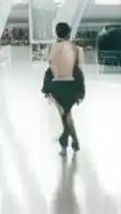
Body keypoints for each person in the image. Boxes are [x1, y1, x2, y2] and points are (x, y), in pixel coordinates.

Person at [42, 22, 84, 156]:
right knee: (67, 115)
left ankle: (66, 145)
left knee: (64, 116)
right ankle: (73, 142)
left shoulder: (51, 48)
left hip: (56, 85)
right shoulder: (75, 48)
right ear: (69, 33)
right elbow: (78, 68)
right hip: (72, 85)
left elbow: (50, 65)